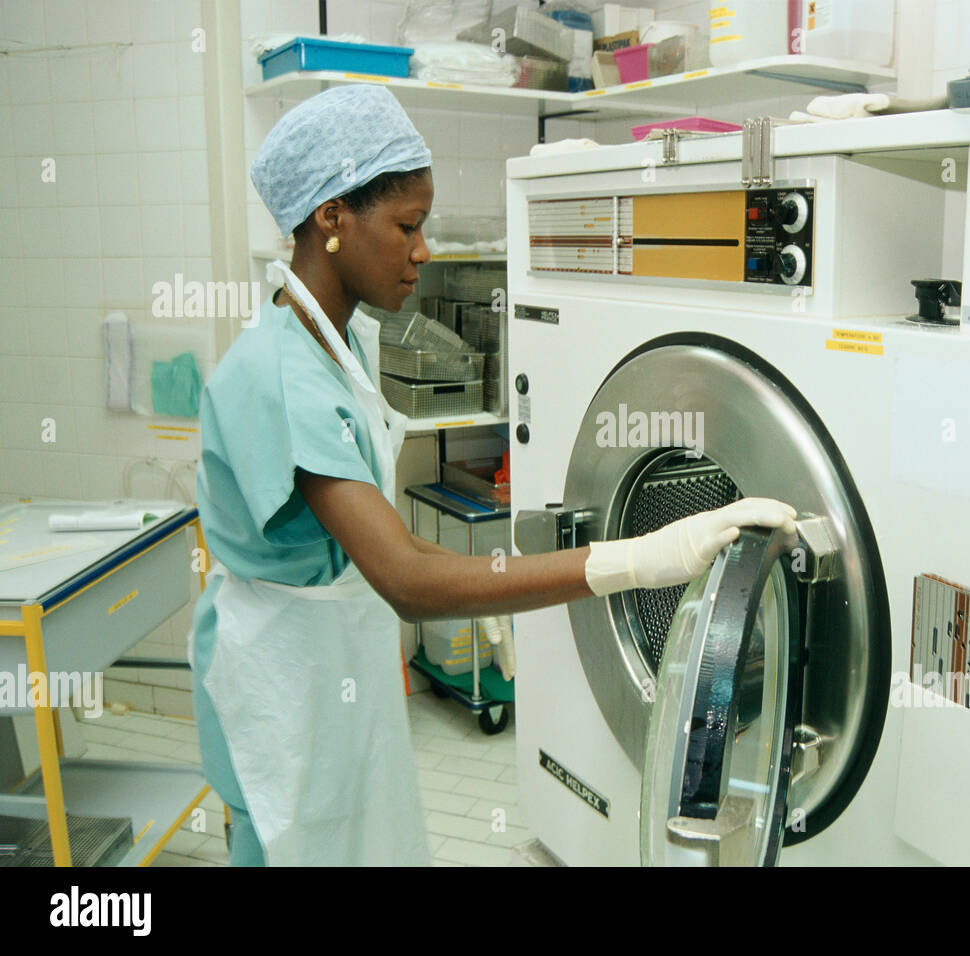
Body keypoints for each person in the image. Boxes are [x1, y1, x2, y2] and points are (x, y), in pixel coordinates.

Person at [188, 85, 797, 866]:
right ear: (331, 217)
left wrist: (519, 579)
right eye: (407, 226)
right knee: (288, 843)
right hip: (279, 676)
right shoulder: (282, 376)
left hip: (330, 656)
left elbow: (402, 552)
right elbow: (406, 577)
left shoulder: (339, 341)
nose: (423, 250)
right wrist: (636, 561)